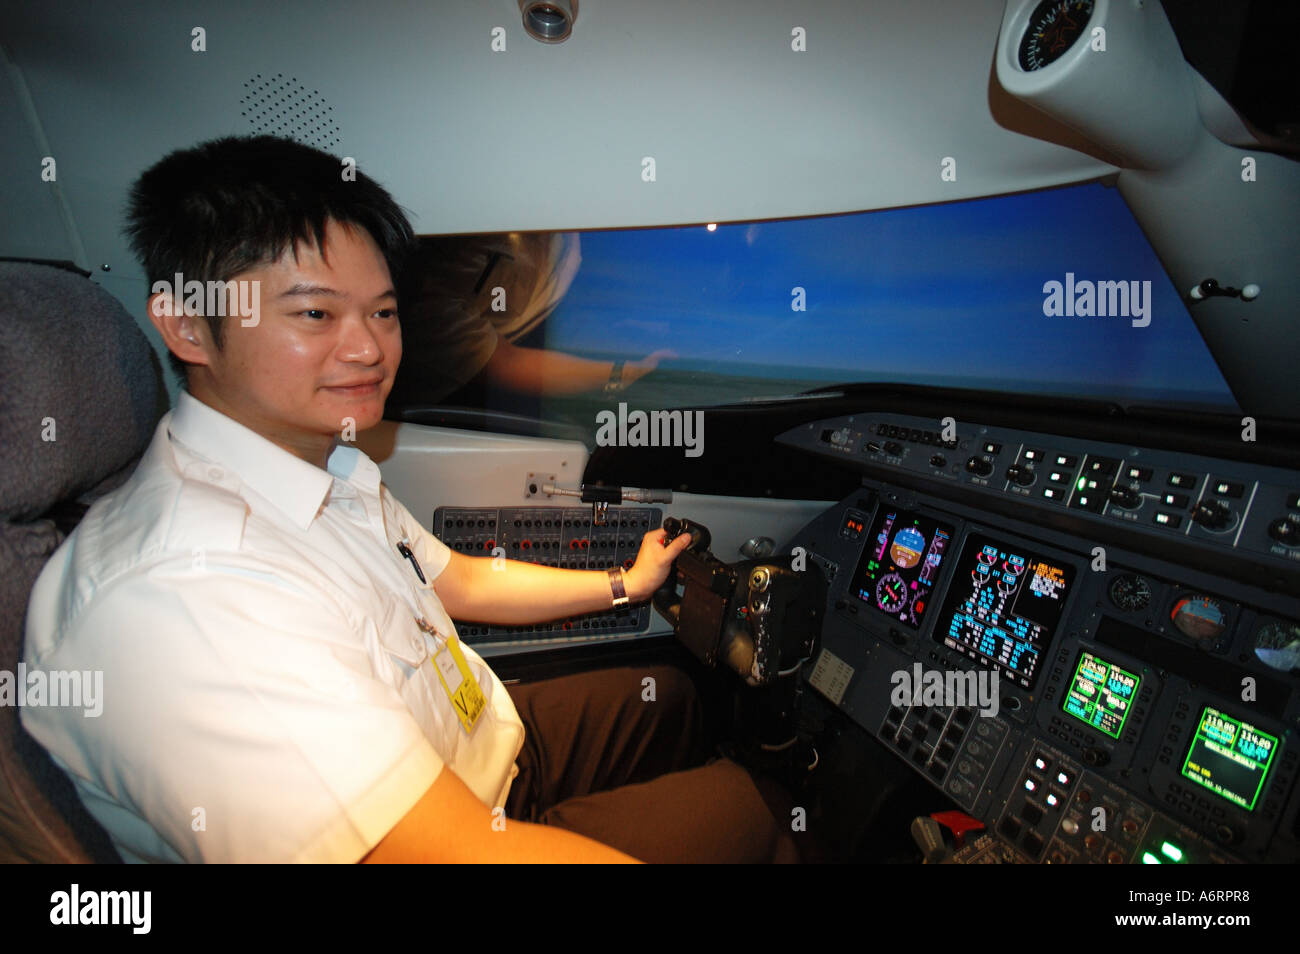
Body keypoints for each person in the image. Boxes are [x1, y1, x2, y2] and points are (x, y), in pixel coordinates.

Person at [20, 135, 798, 863]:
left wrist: (628, 583)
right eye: (316, 313)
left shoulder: (323, 467)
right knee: (754, 810)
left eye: (383, 312)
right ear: (189, 326)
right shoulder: (183, 601)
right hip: (461, 823)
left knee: (670, 701)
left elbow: (455, 578)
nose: (369, 350)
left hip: (477, 752)